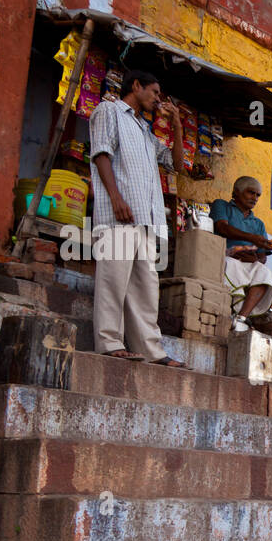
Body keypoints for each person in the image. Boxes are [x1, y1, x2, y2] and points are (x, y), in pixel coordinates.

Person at [87, 69, 187, 368]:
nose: (158, 99)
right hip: (118, 214)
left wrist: (178, 128)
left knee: (146, 288)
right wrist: (116, 198)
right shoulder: (109, 111)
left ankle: (152, 350)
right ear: (136, 86)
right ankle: (109, 343)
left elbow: (177, 164)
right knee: (113, 281)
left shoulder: (145, 131)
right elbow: (101, 154)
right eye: (154, 92)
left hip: (146, 219)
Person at [211, 176, 272, 335]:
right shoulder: (222, 206)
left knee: (263, 272)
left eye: (258, 195)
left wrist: (256, 258)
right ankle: (232, 312)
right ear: (237, 192)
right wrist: (252, 238)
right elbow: (222, 228)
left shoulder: (258, 223)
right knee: (231, 265)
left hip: (247, 262)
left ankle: (241, 318)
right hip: (224, 257)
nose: (255, 198)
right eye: (251, 193)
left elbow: (263, 257)